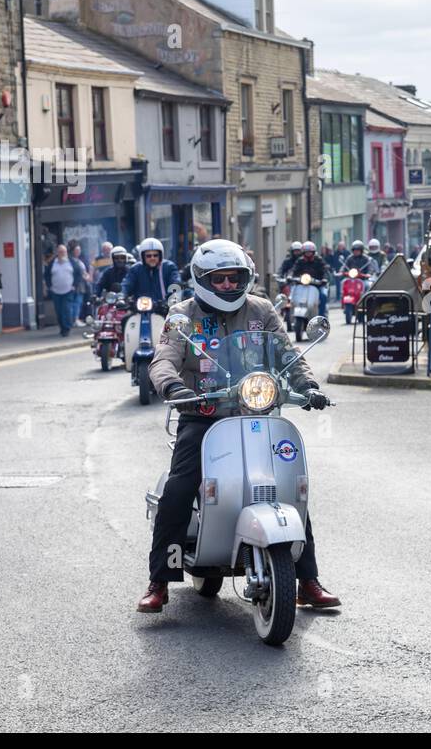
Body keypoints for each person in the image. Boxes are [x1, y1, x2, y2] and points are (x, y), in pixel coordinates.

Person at [137, 239, 340, 613]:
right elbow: (162, 359)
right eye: (220, 279)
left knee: (290, 487)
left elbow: (288, 353)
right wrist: (174, 386)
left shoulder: (262, 310)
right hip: (203, 415)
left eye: (235, 278)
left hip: (258, 415)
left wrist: (308, 386)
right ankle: (159, 581)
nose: (229, 285)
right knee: (180, 487)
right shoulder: (183, 315)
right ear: (202, 279)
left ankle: (306, 580)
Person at [121, 239, 181, 308]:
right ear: (143, 256)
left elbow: (175, 283)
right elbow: (126, 284)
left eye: (155, 255)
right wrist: (121, 296)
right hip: (139, 310)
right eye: (148, 256)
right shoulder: (135, 269)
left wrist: (172, 296)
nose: (152, 258)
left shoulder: (169, 267)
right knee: (124, 318)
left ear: (160, 255)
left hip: (164, 309)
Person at [44, 243, 83, 338]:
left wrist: (74, 285)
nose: (62, 253)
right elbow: (47, 275)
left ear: (66, 252)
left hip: (68, 291)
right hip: (56, 291)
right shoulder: (53, 263)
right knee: (59, 311)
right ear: (57, 253)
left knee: (66, 309)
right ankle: (62, 327)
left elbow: (79, 273)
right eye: (60, 252)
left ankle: (67, 328)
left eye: (63, 252)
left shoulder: (71, 262)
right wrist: (50, 286)